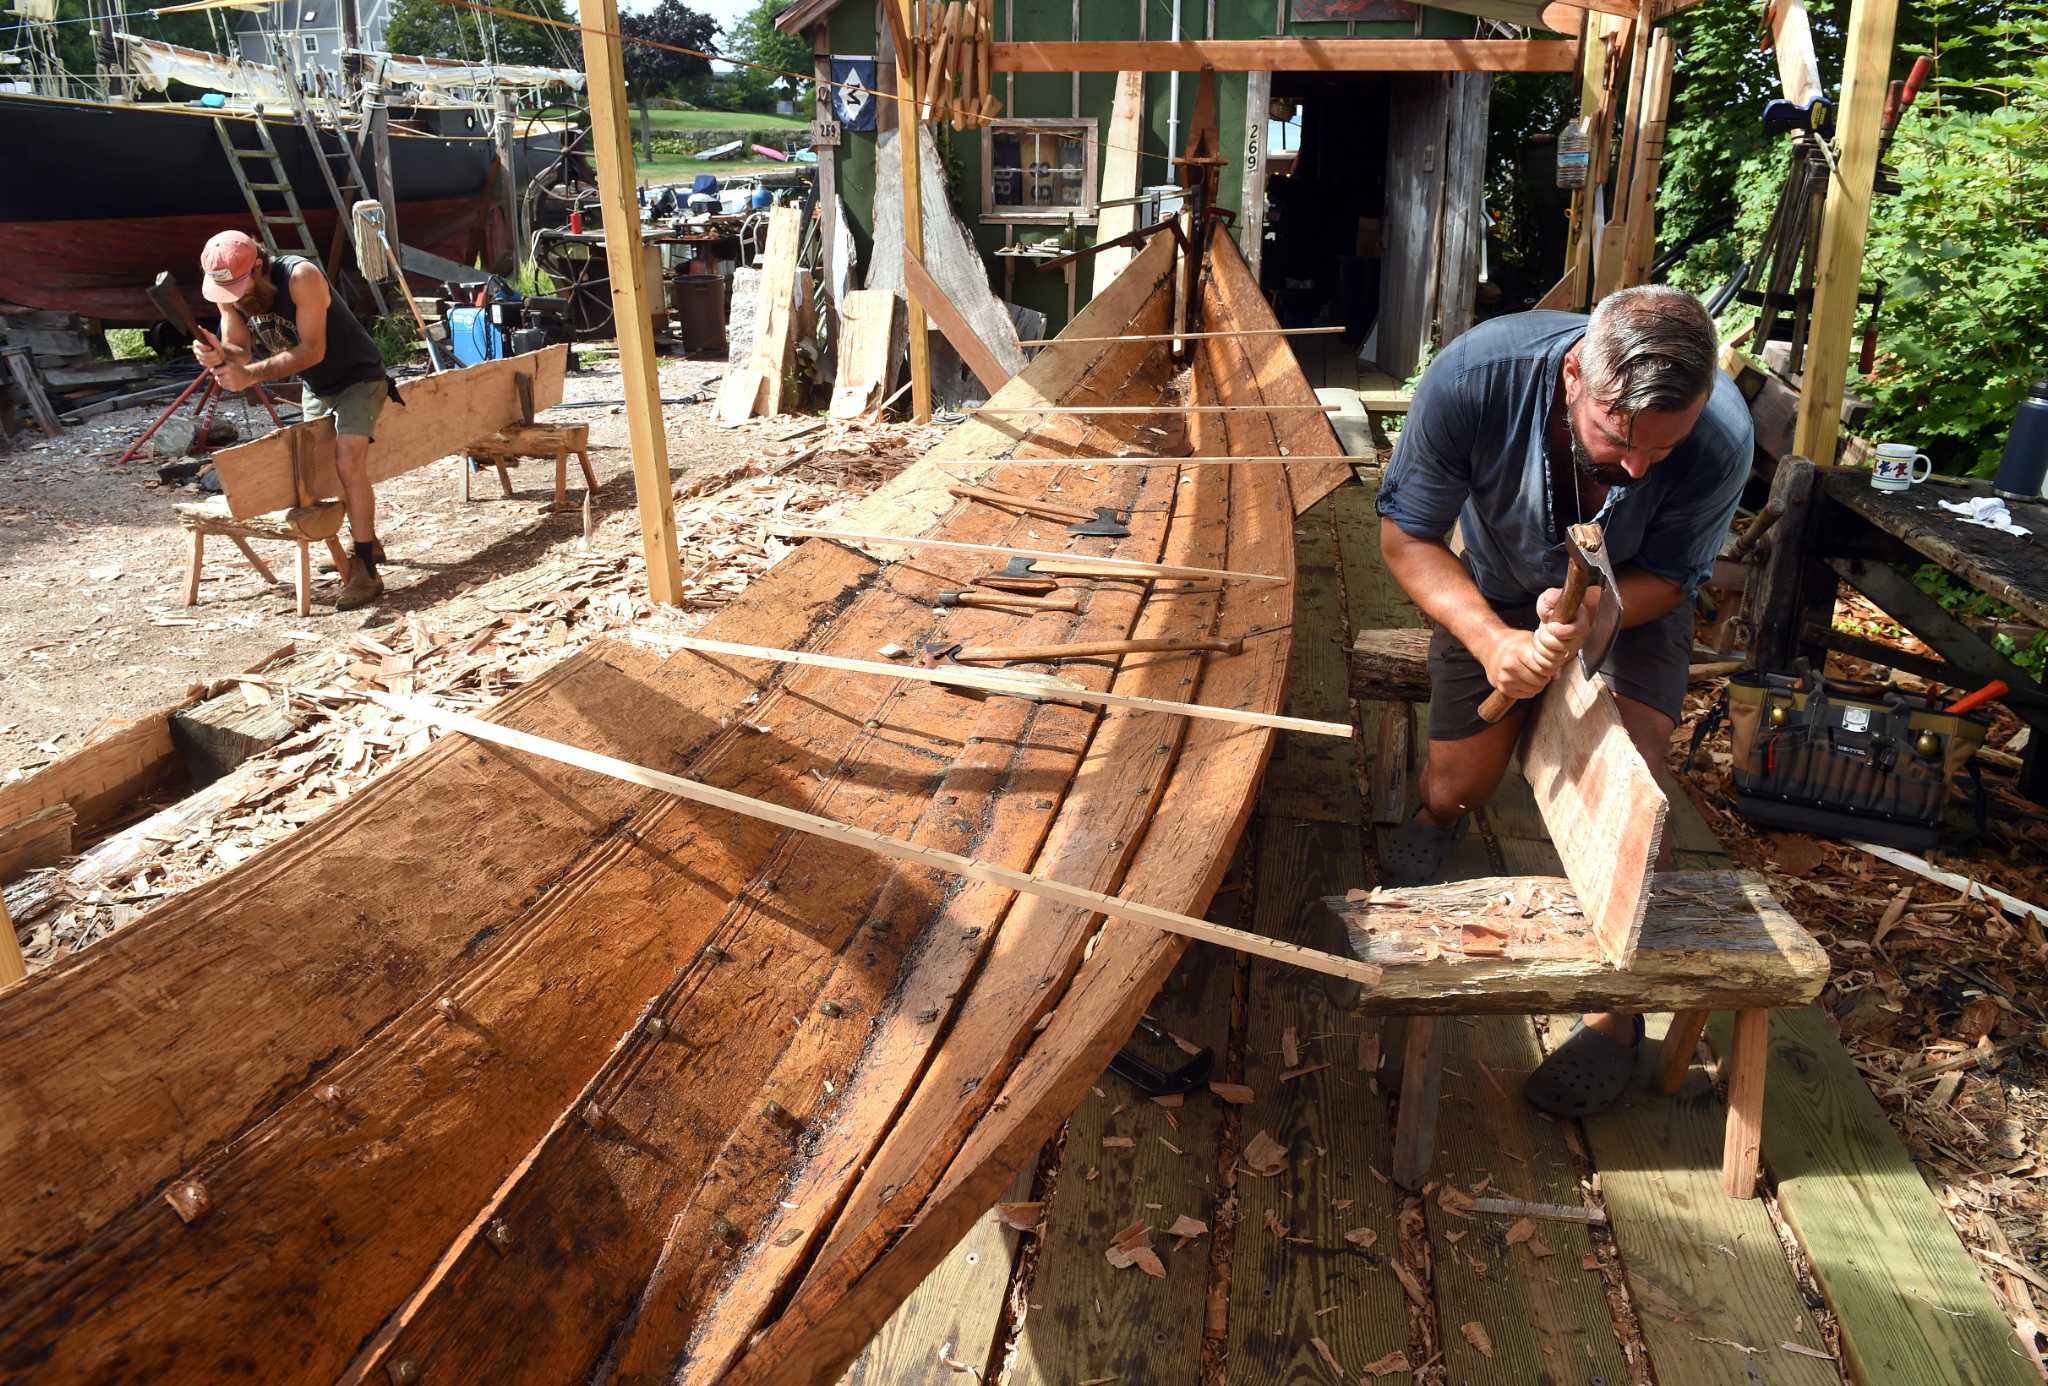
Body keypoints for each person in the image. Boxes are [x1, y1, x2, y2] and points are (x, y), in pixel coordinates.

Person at [1374, 285, 1752, 1116]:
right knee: (1458, 783)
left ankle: (1616, 1018)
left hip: (1637, 595)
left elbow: (1677, 575)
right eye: (1618, 439)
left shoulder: (1719, 434)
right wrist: (1496, 643)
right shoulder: (1476, 378)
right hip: (1500, 586)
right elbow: (1406, 536)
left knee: (1630, 787)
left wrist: (1590, 615)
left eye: (1663, 447)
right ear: (1576, 372)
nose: (1638, 466)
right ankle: (1440, 818)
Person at [193, 230, 397, 611]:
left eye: (240, 286)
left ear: (257, 265)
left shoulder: (301, 277)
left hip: (359, 376)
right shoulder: (232, 294)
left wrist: (251, 375)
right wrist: (219, 354)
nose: (234, 298)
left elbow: (312, 350)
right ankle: (364, 538)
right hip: (317, 385)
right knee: (318, 469)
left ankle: (366, 566)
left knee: (348, 461)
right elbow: (238, 349)